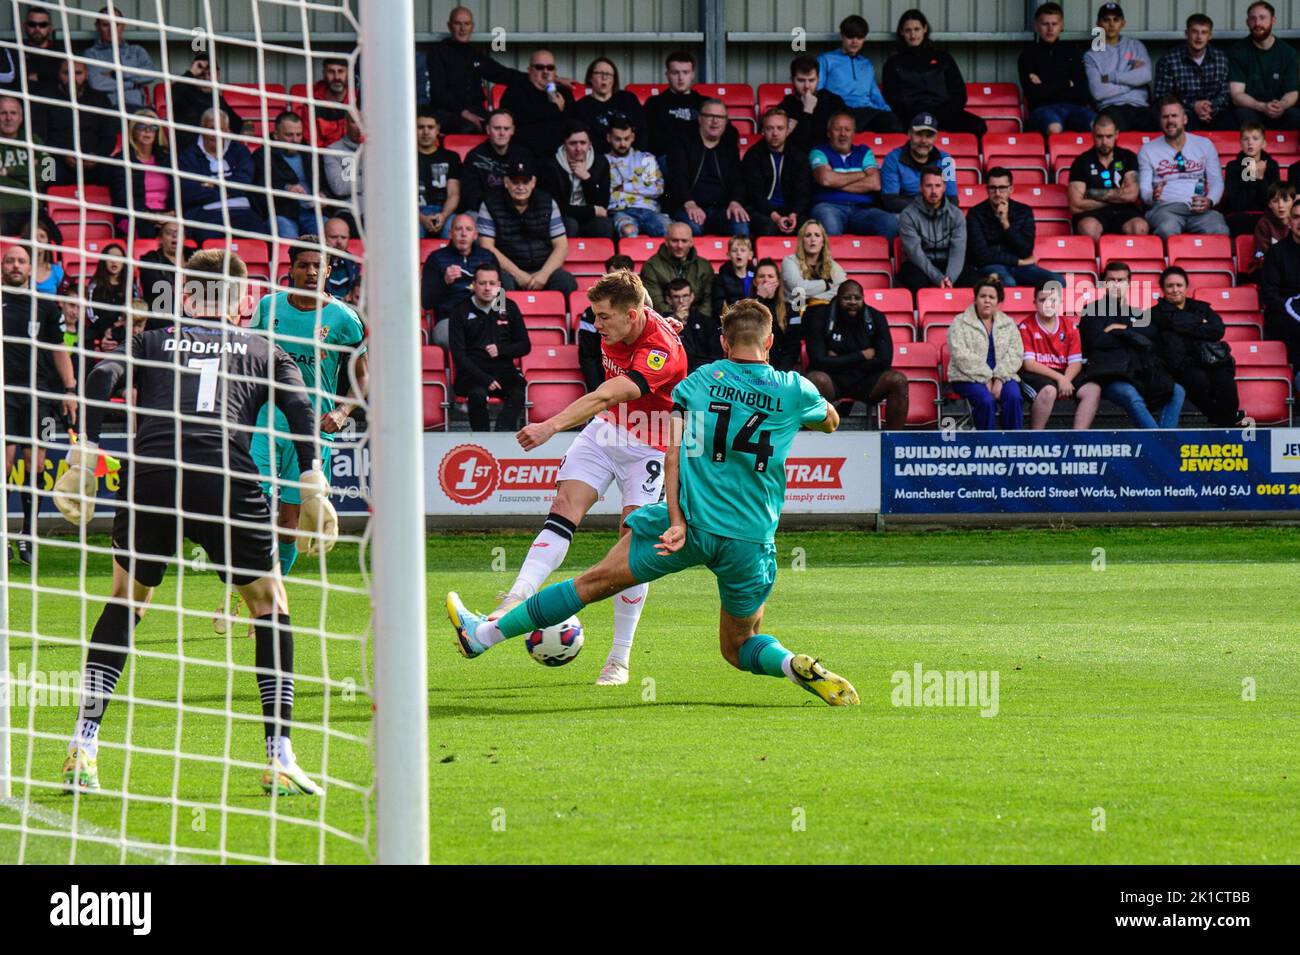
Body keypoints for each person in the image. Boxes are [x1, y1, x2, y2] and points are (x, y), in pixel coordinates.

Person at [448, 297, 860, 707]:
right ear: (769, 340)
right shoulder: (793, 389)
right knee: (740, 647)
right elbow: (829, 420)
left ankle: (482, 636)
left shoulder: (698, 384)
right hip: (751, 541)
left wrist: (677, 519)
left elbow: (673, 454)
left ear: (723, 340)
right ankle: (791, 664)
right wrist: (805, 409)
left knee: (590, 583)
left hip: (688, 525)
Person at [56, 249, 325, 796]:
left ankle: (83, 745)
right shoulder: (263, 348)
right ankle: (279, 755)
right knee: (270, 606)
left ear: (183, 296)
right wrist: (313, 477)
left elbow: (102, 374)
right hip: (224, 475)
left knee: (126, 600)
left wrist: (84, 449)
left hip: (152, 471)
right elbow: (300, 408)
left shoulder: (150, 341)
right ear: (243, 302)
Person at [479, 269, 688, 686]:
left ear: (631, 315)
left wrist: (549, 426)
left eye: (604, 316)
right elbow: (609, 398)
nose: (597, 324)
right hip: (606, 430)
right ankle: (515, 600)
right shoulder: (625, 321)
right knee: (563, 508)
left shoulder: (661, 350)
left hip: (649, 445)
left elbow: (606, 393)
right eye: (594, 314)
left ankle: (618, 659)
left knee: (631, 548)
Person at [246, 239, 368, 589]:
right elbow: (249, 358)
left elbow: (364, 374)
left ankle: (271, 592)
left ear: (329, 270)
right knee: (248, 502)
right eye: (304, 265)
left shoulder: (344, 319)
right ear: (291, 269)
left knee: (290, 521)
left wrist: (344, 411)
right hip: (265, 419)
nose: (311, 272)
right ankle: (248, 583)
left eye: (318, 266)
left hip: (314, 429)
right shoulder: (269, 307)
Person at [2, 243, 76, 565]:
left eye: (22, 261)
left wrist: (70, 389)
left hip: (39, 396)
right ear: (2, 267)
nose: (16, 266)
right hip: (4, 395)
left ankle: (27, 537)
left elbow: (59, 349)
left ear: (31, 268)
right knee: (4, 466)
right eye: (10, 261)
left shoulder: (45, 306)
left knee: (38, 465)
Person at [1079, 260, 1184, 429]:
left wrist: (1121, 330)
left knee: (1177, 390)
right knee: (1130, 395)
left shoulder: (1137, 312)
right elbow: (1095, 341)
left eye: (1121, 280)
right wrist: (1132, 336)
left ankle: (1163, 439)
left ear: (1129, 283)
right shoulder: (1091, 310)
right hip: (1109, 375)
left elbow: (1151, 335)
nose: (1116, 285)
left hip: (1138, 372)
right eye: (1111, 280)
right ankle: (1161, 443)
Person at [804, 280, 909, 429]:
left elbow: (885, 361)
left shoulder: (876, 317)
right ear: (837, 297)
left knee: (898, 380)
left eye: (857, 298)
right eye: (847, 298)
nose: (852, 302)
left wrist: (837, 360)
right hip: (833, 381)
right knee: (814, 380)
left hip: (866, 380)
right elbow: (817, 360)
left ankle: (894, 442)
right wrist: (861, 355)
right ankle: (808, 442)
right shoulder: (820, 316)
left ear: (863, 298)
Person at [1152, 265, 1240, 427]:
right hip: (1181, 364)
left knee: (1225, 383)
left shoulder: (1201, 307)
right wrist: (1199, 322)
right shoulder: (1155, 313)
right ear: (1163, 289)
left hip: (1211, 359)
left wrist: (1183, 325)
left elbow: (1217, 329)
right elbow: (1172, 324)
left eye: (1179, 285)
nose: (1175, 289)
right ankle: (1224, 423)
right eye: (1170, 286)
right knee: (1199, 382)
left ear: (1186, 287)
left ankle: (1226, 426)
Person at [448, 262, 530, 431]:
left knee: (518, 393)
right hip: (473, 373)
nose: (487, 288)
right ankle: (482, 440)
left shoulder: (508, 306)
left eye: (492, 284)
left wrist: (501, 350)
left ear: (499, 286)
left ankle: (502, 434)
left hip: (503, 370)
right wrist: (485, 379)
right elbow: (458, 355)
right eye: (482, 283)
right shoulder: (460, 310)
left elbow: (525, 346)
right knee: (476, 395)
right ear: (473, 285)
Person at [476, 159, 576, 295]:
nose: (521, 187)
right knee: (499, 284)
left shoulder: (547, 202)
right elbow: (487, 246)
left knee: (566, 281)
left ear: (533, 182)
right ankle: (501, 316)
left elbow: (561, 246)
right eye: (515, 182)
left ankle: (564, 316)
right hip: (508, 271)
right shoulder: (490, 203)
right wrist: (517, 274)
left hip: (542, 268)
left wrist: (543, 275)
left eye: (525, 182)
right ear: (506, 182)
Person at [882, 9, 987, 137]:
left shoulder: (943, 58)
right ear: (901, 32)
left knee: (978, 126)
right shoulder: (894, 63)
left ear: (925, 29)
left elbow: (959, 94)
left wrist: (942, 114)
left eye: (916, 29)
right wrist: (916, 115)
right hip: (911, 116)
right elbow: (891, 97)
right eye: (908, 30)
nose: (913, 35)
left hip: (944, 114)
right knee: (892, 127)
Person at [1138, 97, 1228, 238]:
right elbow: (1144, 189)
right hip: (1165, 209)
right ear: (1160, 121)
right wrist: (1152, 196)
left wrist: (1209, 200)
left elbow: (1216, 182)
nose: (1170, 121)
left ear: (1184, 119)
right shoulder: (1148, 149)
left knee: (1219, 229)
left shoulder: (1204, 144)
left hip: (1198, 209)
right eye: (1165, 117)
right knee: (1167, 229)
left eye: (1174, 116)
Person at [1018, 280, 1101, 429]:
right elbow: (1029, 364)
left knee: (1093, 390)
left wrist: (1066, 379)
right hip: (1037, 373)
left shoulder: (1070, 326)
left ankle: (1078, 438)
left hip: (1064, 373)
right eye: (1042, 300)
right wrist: (1061, 379)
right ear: (1035, 303)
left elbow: (1075, 362)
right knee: (1049, 391)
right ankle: (1035, 439)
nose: (1048, 304)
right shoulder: (1025, 326)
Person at [178, 108, 269, 243]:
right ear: (202, 129)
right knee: (207, 242)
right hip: (207, 214)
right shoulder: (188, 156)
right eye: (212, 128)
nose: (216, 134)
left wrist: (213, 185)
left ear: (227, 131)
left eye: (221, 129)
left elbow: (244, 181)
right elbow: (189, 191)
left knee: (263, 238)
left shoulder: (239, 151)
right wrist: (225, 191)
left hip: (242, 211)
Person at [426, 6, 522, 134]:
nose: (463, 28)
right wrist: (465, 113)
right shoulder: (438, 52)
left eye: (467, 24)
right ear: (449, 26)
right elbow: (439, 92)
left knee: (505, 126)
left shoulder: (474, 53)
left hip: (476, 112)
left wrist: (535, 77)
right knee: (469, 127)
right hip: (448, 113)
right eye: (457, 24)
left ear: (472, 26)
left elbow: (503, 74)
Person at [946, 276, 1025, 430]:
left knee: (1014, 396)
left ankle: (1014, 446)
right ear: (975, 299)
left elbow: (1016, 353)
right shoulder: (960, 322)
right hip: (967, 377)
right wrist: (986, 377)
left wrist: (999, 379)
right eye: (983, 296)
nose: (987, 300)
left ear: (998, 301)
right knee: (986, 401)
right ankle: (985, 445)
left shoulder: (1008, 323)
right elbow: (960, 355)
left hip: (1003, 376)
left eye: (992, 297)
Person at [966, 167, 1064, 288]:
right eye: (993, 188)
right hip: (992, 265)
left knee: (1056, 281)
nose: (997, 193)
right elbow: (981, 255)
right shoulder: (975, 213)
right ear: (986, 189)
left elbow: (1026, 249)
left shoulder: (1024, 211)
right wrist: (1018, 261)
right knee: (1008, 282)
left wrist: (1005, 223)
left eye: (1002, 188)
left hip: (1022, 268)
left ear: (1011, 189)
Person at [665, 99, 749, 237]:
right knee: (692, 230)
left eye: (720, 117)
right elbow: (678, 176)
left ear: (726, 121)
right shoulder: (684, 140)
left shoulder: (729, 143)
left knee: (740, 228)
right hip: (690, 206)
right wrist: (689, 203)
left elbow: (737, 178)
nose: (715, 121)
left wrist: (735, 202)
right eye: (710, 116)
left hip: (723, 208)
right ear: (700, 118)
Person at [809, 112, 897, 239]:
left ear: (854, 133)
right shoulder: (819, 151)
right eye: (837, 129)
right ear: (829, 133)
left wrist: (835, 181)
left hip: (863, 210)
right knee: (829, 223)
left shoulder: (864, 151)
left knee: (889, 222)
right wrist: (862, 174)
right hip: (829, 206)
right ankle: (831, 259)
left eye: (847, 129)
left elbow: (875, 184)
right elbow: (826, 180)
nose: (843, 134)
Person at [31, 58, 117, 186]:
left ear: (86, 74)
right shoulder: (43, 98)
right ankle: (41, 206)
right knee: (44, 171)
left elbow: (109, 137)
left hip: (94, 162)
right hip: (56, 160)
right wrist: (62, 155)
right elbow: (38, 138)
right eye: (66, 73)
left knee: (120, 172)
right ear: (59, 74)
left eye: (78, 73)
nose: (72, 78)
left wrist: (97, 156)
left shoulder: (100, 99)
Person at [1019, 2, 1096, 136]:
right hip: (1043, 110)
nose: (1050, 29)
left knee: (1097, 125)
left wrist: (1045, 84)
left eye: (1054, 24)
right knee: (1055, 127)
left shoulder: (1072, 52)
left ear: (1061, 26)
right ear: (1036, 26)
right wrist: (1066, 83)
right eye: (1045, 24)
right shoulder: (1027, 55)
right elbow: (1034, 95)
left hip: (1075, 108)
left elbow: (1082, 92)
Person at [1068, 112, 1148, 239]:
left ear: (1117, 134)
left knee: (1139, 227)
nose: (1104, 142)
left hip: (1125, 212)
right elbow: (1076, 205)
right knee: (1089, 228)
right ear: (1092, 135)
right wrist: (1117, 196)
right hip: (1092, 214)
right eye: (1099, 137)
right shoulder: (1081, 162)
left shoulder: (1128, 157)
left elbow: (1131, 195)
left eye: (1109, 136)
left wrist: (1091, 193)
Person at [817, 15, 900, 133]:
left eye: (860, 37)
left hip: (866, 110)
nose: (855, 41)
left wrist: (888, 111)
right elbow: (818, 90)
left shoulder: (866, 64)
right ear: (842, 36)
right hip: (841, 110)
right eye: (850, 36)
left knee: (894, 125)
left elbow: (874, 94)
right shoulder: (826, 60)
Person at [645, 51, 736, 157]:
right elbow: (648, 140)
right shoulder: (655, 104)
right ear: (668, 75)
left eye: (685, 72)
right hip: (669, 158)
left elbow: (731, 133)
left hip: (702, 157)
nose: (681, 78)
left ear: (692, 75)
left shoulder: (706, 103)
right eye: (675, 73)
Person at [897, 166, 971, 293]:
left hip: (948, 263)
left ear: (944, 187)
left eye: (938, 185)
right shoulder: (908, 215)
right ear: (921, 187)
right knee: (914, 280)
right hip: (919, 265)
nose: (933, 191)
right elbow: (915, 253)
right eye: (928, 186)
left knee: (972, 280)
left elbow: (958, 251)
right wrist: (938, 278)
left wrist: (949, 279)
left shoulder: (956, 215)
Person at [1154, 14, 1234, 132]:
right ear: (1186, 34)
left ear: (1210, 35)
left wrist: (1209, 108)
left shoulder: (1220, 58)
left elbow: (1225, 94)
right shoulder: (1169, 60)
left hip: (1214, 112)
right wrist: (1193, 105)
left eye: (1204, 32)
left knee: (1231, 122)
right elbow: (1162, 96)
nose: (1199, 37)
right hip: (1184, 112)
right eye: (1194, 32)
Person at [1084, 4, 1156, 133]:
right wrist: (1133, 82)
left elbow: (1145, 75)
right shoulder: (1091, 55)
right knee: (1112, 135)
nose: (1111, 24)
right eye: (1106, 20)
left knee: (1160, 131)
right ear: (1098, 23)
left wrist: (1111, 77)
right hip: (1111, 108)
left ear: (1123, 23)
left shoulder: (1136, 46)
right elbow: (1098, 92)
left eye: (1116, 20)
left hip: (1140, 107)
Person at [1228, 2, 1300, 130]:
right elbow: (1236, 95)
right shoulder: (1237, 51)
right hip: (1252, 109)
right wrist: (1262, 106)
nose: (1257, 23)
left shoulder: (1289, 53)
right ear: (1247, 22)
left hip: (1279, 111)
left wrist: (1282, 105)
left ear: (1273, 20)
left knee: (1295, 115)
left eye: (1262, 18)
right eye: (1253, 18)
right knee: (1242, 114)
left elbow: (1292, 92)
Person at [539, 121, 615, 240]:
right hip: (564, 217)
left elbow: (602, 205)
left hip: (590, 219)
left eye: (583, 143)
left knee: (604, 225)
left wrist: (587, 178)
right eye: (573, 143)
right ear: (564, 144)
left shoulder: (600, 163)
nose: (578, 148)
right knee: (570, 224)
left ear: (590, 144)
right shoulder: (551, 166)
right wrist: (592, 210)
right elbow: (554, 207)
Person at [742, 109, 811, 237]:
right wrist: (776, 217)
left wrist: (794, 214)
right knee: (768, 228)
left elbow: (803, 192)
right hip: (761, 210)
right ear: (763, 131)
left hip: (791, 210)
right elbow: (754, 195)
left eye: (780, 128)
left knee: (808, 229)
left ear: (787, 131)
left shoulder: (798, 156)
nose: (775, 133)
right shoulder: (753, 156)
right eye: (769, 128)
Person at [256, 110, 322, 240]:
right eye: (289, 135)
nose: (295, 140)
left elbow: (326, 186)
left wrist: (323, 195)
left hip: (312, 212)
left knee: (331, 230)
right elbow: (259, 191)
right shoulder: (262, 156)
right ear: (276, 135)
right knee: (287, 235)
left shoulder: (311, 154)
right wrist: (286, 188)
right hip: (281, 213)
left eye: (298, 135)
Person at [109, 108, 175, 237]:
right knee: (146, 232)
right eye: (141, 126)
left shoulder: (166, 159)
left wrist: (171, 213)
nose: (147, 131)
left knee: (177, 232)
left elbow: (178, 191)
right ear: (132, 131)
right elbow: (123, 198)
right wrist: (150, 216)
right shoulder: (122, 160)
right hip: (135, 216)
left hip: (166, 216)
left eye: (153, 127)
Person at [574, 253, 636, 391]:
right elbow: (587, 356)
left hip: (636, 381)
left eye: (621, 279)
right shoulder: (591, 313)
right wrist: (598, 390)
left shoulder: (644, 309)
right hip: (605, 379)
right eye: (611, 278)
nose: (617, 284)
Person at [500, 49, 575, 159]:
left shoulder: (564, 93)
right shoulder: (516, 91)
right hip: (527, 153)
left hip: (561, 156)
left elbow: (572, 123)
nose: (545, 71)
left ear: (555, 71)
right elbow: (520, 117)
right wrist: (553, 108)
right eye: (540, 67)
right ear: (530, 70)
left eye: (550, 68)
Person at [422, 213, 495, 320]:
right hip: (450, 319)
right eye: (458, 229)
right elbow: (426, 302)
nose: (463, 234)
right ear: (450, 234)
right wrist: (444, 282)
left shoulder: (488, 257)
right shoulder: (436, 259)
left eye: (468, 229)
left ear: (475, 235)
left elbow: (500, 294)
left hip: (483, 319)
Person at [605, 117, 670, 239]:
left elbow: (656, 189)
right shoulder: (603, 161)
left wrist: (624, 187)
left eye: (626, 139)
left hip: (649, 210)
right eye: (617, 139)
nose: (623, 144)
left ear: (633, 138)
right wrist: (641, 187)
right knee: (628, 231)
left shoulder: (645, 158)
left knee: (670, 231)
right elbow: (607, 193)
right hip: (620, 210)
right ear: (609, 138)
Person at [168, 50, 245, 152]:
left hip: (212, 153)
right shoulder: (184, 93)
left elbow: (236, 123)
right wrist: (191, 72)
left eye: (211, 74)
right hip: (188, 154)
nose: (207, 78)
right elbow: (170, 95)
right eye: (202, 74)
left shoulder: (216, 98)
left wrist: (247, 126)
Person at [879, 113, 956, 214]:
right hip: (905, 214)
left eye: (929, 136)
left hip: (937, 214)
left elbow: (953, 199)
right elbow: (891, 201)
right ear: (909, 134)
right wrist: (926, 210)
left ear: (936, 137)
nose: (923, 141)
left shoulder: (947, 161)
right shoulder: (892, 158)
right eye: (919, 134)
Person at [460, 109, 533, 216]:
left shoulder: (524, 155)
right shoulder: (474, 156)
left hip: (516, 210)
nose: (502, 133)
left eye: (506, 128)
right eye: (497, 128)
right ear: (488, 129)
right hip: (483, 211)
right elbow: (471, 196)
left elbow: (531, 189)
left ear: (512, 130)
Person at [82, 5, 153, 110]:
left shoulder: (136, 51)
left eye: (116, 24)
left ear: (123, 26)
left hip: (136, 108)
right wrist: (133, 84)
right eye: (106, 25)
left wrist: (116, 74)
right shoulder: (91, 54)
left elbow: (150, 74)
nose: (112, 29)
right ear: (97, 27)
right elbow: (96, 83)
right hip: (108, 109)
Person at [0, 94, 51, 235]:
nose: (8, 118)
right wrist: (31, 168)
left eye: (13, 113)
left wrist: (9, 171)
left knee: (55, 240)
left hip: (31, 209)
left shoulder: (33, 140)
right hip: (2, 211)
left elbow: (49, 174)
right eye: (3, 113)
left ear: (21, 118)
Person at [574, 57, 648, 155]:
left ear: (614, 79)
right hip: (599, 160)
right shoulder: (581, 107)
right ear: (590, 78)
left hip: (631, 158)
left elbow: (642, 131)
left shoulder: (628, 99)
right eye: (599, 73)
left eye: (608, 74)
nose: (604, 77)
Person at [641, 221, 715, 317]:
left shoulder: (704, 266)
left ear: (691, 242)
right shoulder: (651, 266)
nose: (679, 246)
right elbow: (655, 303)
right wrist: (675, 318)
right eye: (675, 241)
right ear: (666, 241)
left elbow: (708, 301)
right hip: (666, 323)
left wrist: (695, 320)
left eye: (684, 241)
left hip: (699, 324)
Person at [1258, 203, 1300, 366]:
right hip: (1284, 313)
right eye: (1296, 218)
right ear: (1289, 222)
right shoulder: (1276, 253)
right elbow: (1269, 294)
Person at [780, 56, 849, 154]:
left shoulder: (833, 101)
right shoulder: (787, 104)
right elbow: (797, 145)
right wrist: (807, 110)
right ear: (792, 80)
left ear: (818, 79)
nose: (807, 86)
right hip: (799, 161)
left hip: (828, 158)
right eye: (801, 80)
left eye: (811, 80)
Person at [1221, 120, 1279, 237]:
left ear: (1264, 143)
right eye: (1245, 139)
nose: (1250, 143)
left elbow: (1270, 202)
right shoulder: (1233, 167)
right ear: (1241, 143)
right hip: (1240, 216)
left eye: (1255, 138)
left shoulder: (1272, 165)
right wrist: (1253, 177)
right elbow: (1237, 204)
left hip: (1265, 216)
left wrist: (1261, 179)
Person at [780, 219, 845, 309]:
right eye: (808, 235)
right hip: (796, 313)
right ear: (802, 241)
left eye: (817, 235)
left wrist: (814, 300)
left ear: (823, 242)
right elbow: (798, 289)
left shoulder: (832, 265)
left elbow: (843, 289)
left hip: (825, 312)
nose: (813, 239)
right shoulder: (789, 261)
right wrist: (826, 285)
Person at [416, 109, 460, 240]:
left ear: (437, 130)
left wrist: (444, 215)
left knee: (453, 231)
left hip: (444, 211)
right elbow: (401, 195)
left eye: (430, 127)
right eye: (420, 127)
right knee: (411, 235)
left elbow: (454, 193)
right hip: (414, 212)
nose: (425, 132)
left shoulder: (451, 157)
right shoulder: (405, 158)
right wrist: (421, 218)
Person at [753, 258, 802, 373]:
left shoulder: (791, 309)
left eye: (770, 276)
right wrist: (760, 300)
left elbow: (793, 347)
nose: (766, 280)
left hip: (781, 371)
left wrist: (780, 373)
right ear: (755, 282)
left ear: (778, 281)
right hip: (753, 369)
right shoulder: (746, 308)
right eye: (761, 276)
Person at [293, 57, 353, 147]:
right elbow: (311, 142)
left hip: (354, 156)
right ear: (324, 74)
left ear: (348, 73)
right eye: (331, 72)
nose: (336, 77)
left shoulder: (358, 100)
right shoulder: (312, 103)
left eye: (341, 71)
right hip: (324, 157)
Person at [320, 113, 365, 235]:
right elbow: (339, 187)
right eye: (354, 121)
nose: (360, 126)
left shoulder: (380, 150)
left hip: (378, 210)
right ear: (345, 123)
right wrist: (370, 180)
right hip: (348, 212)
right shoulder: (333, 150)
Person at [669, 279, 721, 372]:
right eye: (676, 297)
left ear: (692, 297)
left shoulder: (707, 322)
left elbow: (715, 356)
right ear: (669, 299)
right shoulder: (663, 322)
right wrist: (678, 322)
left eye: (685, 296)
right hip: (673, 372)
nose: (681, 301)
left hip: (703, 373)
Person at [139, 219, 186, 316]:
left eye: (179, 233)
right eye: (169, 233)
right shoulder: (150, 259)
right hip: (164, 313)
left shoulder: (195, 255)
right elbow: (159, 288)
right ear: (160, 239)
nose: (174, 236)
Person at [17, 5, 63, 91]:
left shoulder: (61, 52)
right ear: (24, 26)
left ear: (50, 27)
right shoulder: (15, 50)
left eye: (43, 25)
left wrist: (40, 76)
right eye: (32, 24)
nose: (37, 28)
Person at [1252, 180, 1295, 272]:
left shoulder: (1297, 222)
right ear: (1269, 204)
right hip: (1270, 269)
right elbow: (1261, 255)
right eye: (1275, 201)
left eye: (1286, 200)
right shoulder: (1264, 224)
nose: (1281, 205)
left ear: (1293, 202)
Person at [322, 217, 361, 305]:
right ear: (323, 237)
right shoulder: (313, 262)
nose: (339, 241)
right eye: (333, 237)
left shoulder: (352, 263)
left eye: (343, 237)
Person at [20, 220, 64, 296]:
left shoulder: (57, 271)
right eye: (34, 237)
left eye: (42, 236)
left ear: (47, 241)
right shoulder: (18, 268)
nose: (38, 240)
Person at [713, 235, 755, 314]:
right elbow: (720, 308)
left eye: (743, 250)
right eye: (734, 250)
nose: (738, 253)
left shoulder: (756, 276)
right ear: (728, 255)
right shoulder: (721, 279)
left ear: (750, 255)